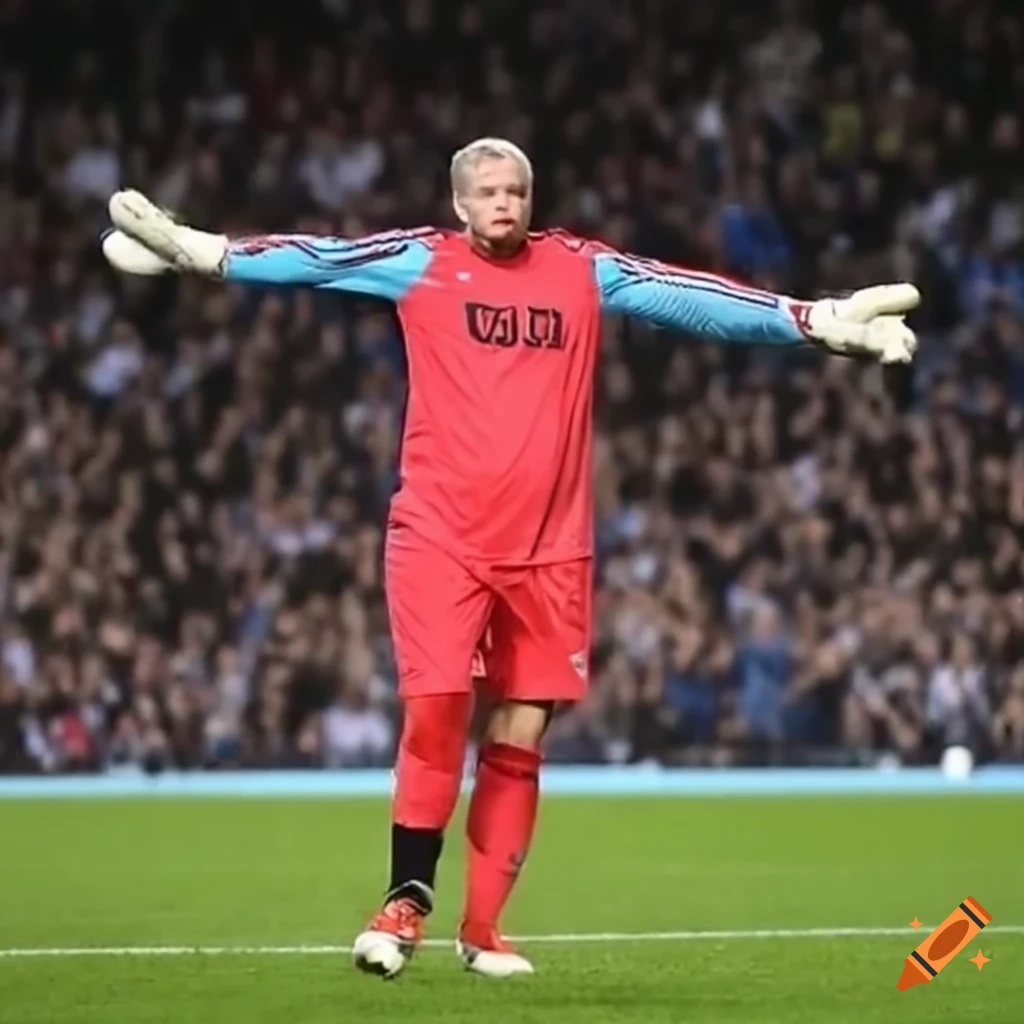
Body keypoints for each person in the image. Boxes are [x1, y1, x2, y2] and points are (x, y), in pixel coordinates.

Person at [101, 137, 920, 979]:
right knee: (436, 712)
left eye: (517, 189)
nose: (505, 202)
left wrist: (811, 322)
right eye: (488, 190)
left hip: (550, 552)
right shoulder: (419, 260)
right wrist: (209, 255)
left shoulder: (578, 267)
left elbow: (689, 299)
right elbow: (317, 259)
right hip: (440, 538)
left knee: (521, 733)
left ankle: (483, 931)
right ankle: (404, 903)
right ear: (459, 203)